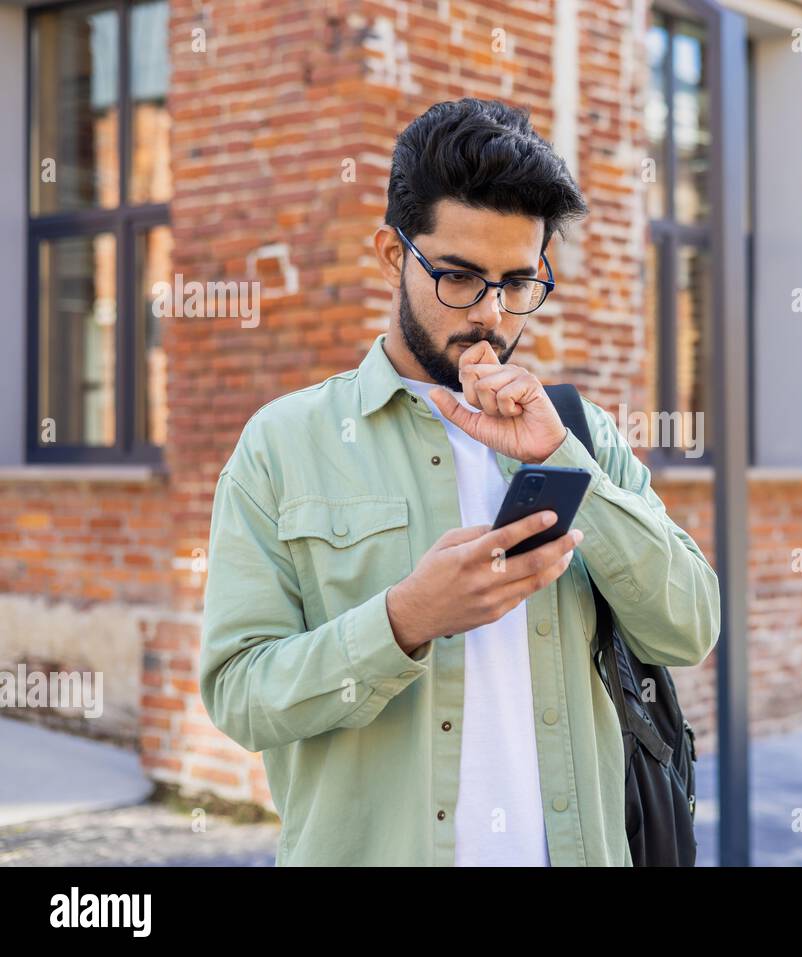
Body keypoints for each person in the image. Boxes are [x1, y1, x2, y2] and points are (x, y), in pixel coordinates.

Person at [198, 97, 722, 866]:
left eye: (517, 282)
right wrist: (404, 620)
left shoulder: (578, 431)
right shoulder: (283, 445)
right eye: (459, 277)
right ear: (390, 253)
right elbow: (241, 696)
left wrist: (562, 460)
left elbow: (689, 626)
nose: (491, 314)